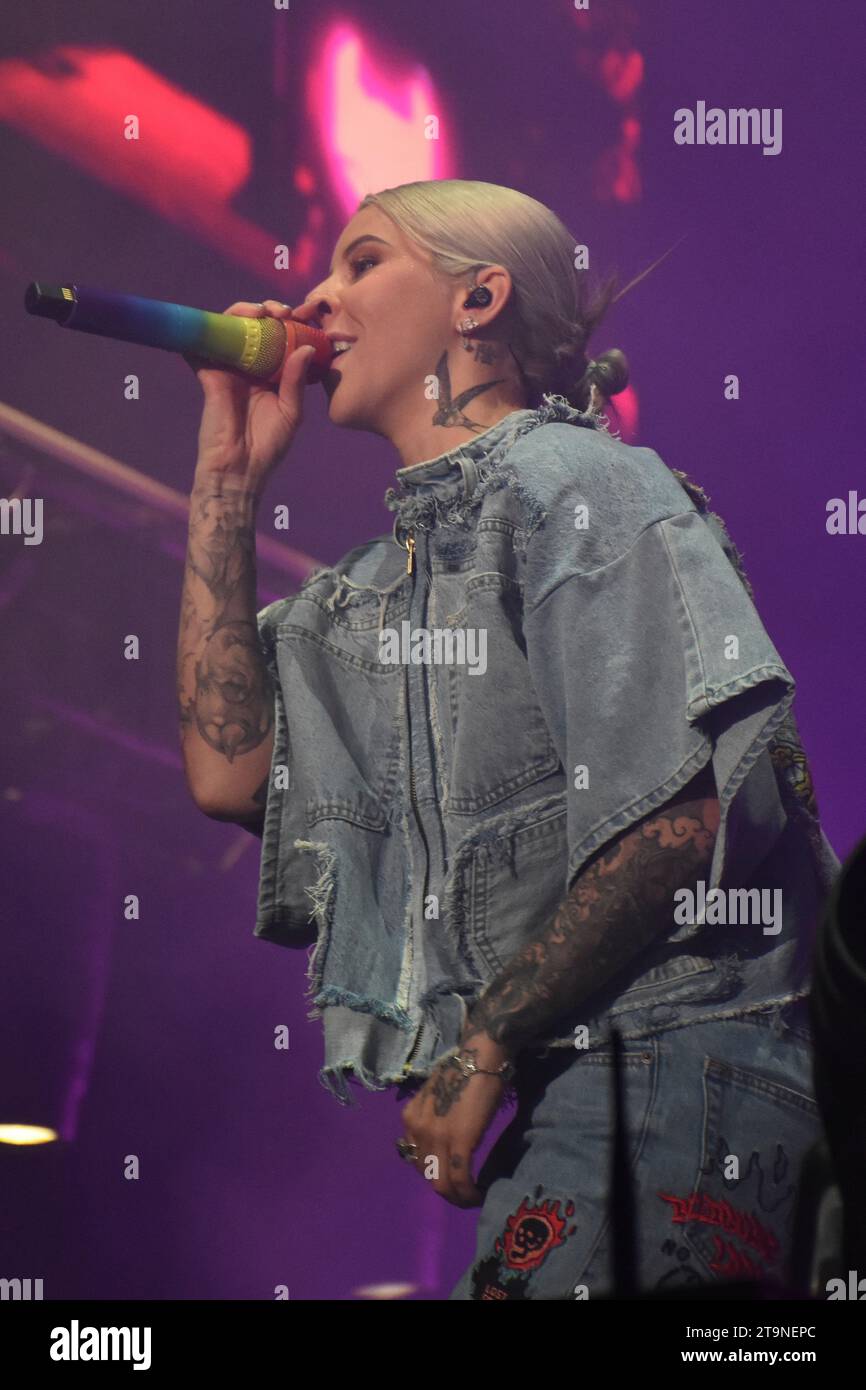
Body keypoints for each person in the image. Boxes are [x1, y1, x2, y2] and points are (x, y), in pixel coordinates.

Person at [177, 179, 839, 1299]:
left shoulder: (571, 481)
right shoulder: (382, 586)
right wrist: (226, 481)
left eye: (360, 262)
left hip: (687, 1057)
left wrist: (482, 1042)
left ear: (477, 298)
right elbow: (230, 769)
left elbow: (679, 816)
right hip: (588, 1076)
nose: (314, 299)